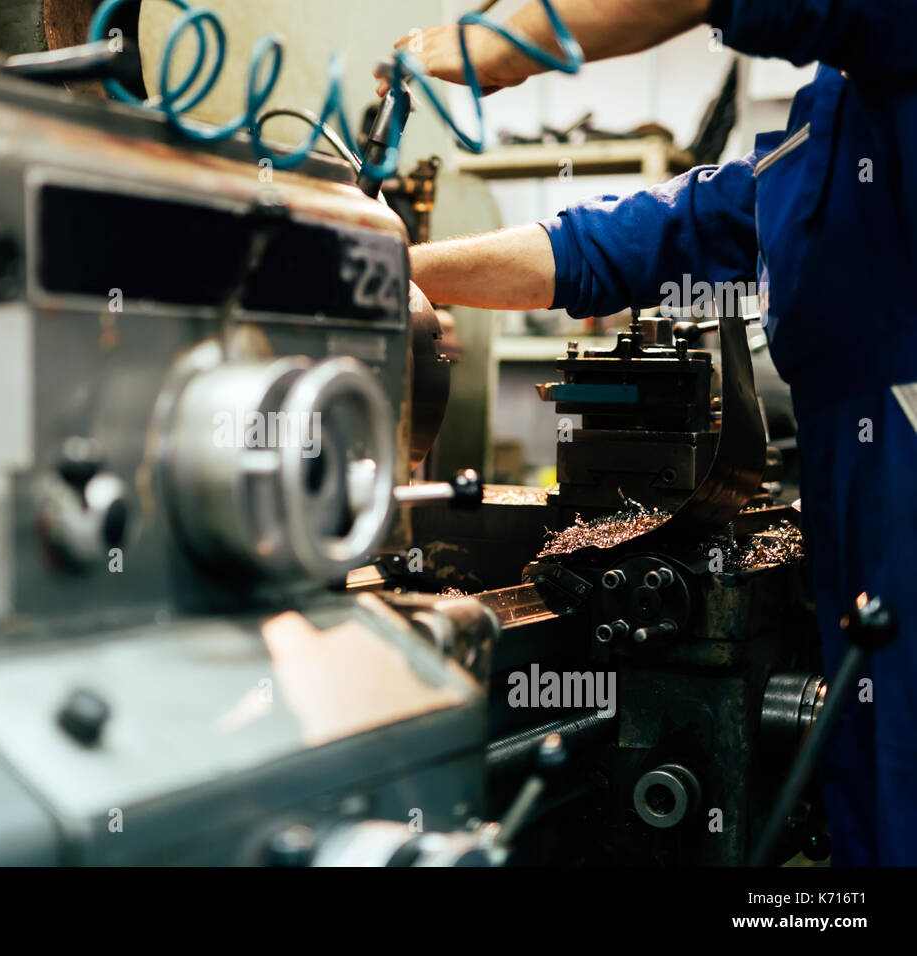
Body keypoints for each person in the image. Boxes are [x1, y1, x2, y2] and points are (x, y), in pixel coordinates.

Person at [386, 0, 917, 865]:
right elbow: (619, 243)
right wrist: (382, 264)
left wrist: (507, 42)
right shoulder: (818, 136)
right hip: (859, 506)